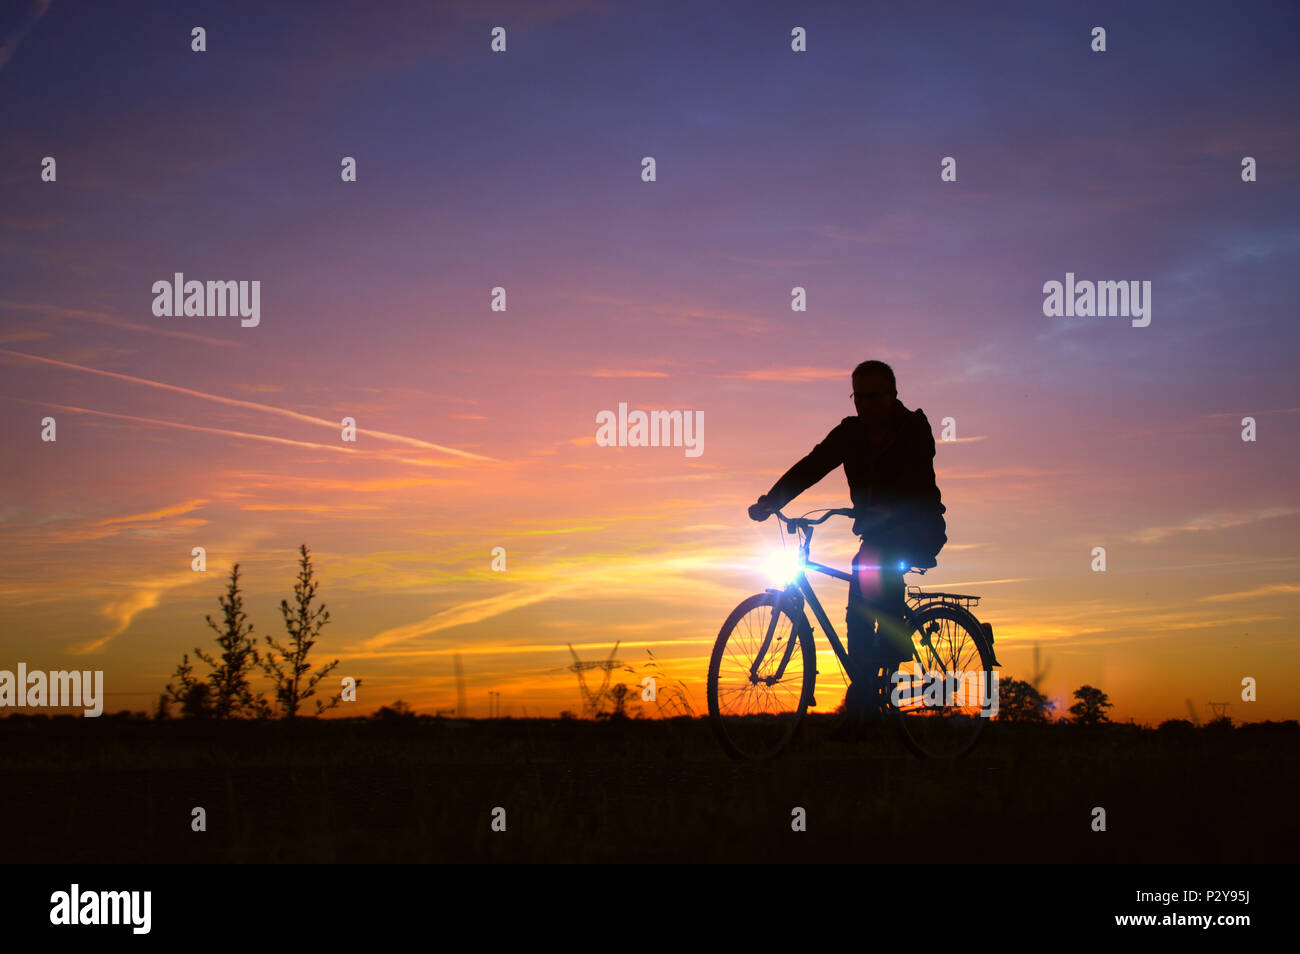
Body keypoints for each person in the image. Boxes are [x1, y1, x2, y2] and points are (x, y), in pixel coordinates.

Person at [747, 360, 947, 733]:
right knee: (858, 601)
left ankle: (896, 644)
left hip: (918, 526)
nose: (866, 405)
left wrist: (892, 506)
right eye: (859, 396)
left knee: (874, 563)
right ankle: (866, 686)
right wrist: (773, 501)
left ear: (893, 395)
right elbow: (813, 465)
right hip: (877, 532)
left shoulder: (913, 427)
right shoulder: (850, 433)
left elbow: (918, 477)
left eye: (875, 396)